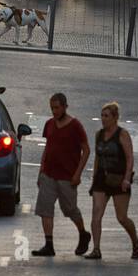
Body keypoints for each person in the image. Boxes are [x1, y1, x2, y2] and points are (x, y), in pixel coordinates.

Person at [33, 93, 91, 258]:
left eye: (57, 107)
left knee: (70, 209)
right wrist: (40, 171)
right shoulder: (49, 124)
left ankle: (83, 234)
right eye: (52, 108)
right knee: (45, 209)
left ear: (65, 106)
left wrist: (78, 173)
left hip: (67, 176)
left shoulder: (75, 126)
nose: (54, 111)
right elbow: (48, 147)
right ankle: (49, 244)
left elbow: (86, 149)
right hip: (48, 174)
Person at [85, 102, 138, 262]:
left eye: (107, 116)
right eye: (102, 116)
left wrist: (127, 179)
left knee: (122, 217)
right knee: (96, 213)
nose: (103, 119)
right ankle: (96, 249)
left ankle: (136, 241)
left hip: (118, 179)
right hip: (102, 179)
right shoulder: (99, 135)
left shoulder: (122, 135)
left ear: (115, 118)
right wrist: (94, 179)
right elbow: (97, 157)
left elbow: (129, 158)